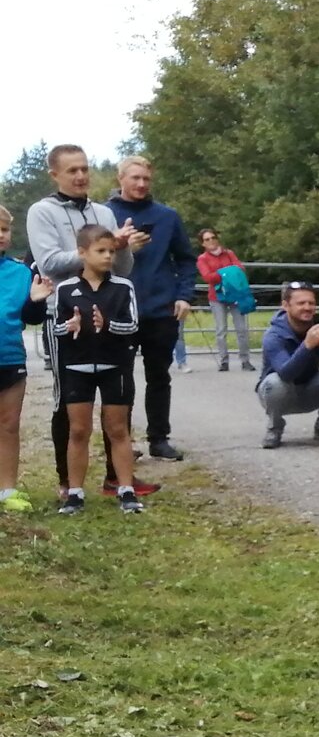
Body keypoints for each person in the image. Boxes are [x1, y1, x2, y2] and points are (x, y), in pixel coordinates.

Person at [25, 144, 156, 497]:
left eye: (85, 169)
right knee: (68, 400)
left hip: (111, 316)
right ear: (54, 174)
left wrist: (121, 247)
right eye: (72, 171)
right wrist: (94, 251)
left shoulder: (104, 212)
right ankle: (68, 483)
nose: (81, 176)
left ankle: (118, 477)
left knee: (119, 393)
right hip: (66, 317)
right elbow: (49, 262)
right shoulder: (42, 212)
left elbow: (122, 268)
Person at [104, 157, 198, 462]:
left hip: (161, 309)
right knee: (121, 379)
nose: (141, 184)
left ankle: (159, 438)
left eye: (146, 178)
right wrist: (122, 247)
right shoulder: (104, 215)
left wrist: (184, 295)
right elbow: (91, 257)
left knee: (159, 376)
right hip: (118, 309)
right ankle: (122, 442)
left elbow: (186, 259)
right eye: (135, 178)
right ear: (120, 178)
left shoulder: (167, 216)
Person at [51, 225, 145, 514]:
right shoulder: (65, 289)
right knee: (78, 430)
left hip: (114, 365)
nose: (107, 257)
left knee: (117, 428)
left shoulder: (122, 287)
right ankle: (75, 493)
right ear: (82, 253)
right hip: (76, 366)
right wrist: (70, 327)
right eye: (100, 251)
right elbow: (55, 327)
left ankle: (126, 490)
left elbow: (133, 325)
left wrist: (108, 325)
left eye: (112, 252)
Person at [0, 206, 54, 513]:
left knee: (8, 425)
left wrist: (37, 301)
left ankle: (7, 490)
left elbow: (31, 317)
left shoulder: (21, 272)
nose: (0, 234)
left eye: (5, 229)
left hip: (9, 358)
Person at [258, 281, 319, 449]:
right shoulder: (273, 335)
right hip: (279, 394)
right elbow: (286, 374)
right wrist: (307, 345)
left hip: (309, 390)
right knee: (275, 381)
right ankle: (274, 428)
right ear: (285, 305)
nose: (307, 307)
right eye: (301, 303)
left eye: (311, 303)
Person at [195, 228, 257, 372]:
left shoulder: (229, 253)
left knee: (241, 329)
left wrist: (222, 274)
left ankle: (245, 360)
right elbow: (207, 277)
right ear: (202, 243)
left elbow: (240, 269)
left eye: (212, 237)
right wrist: (229, 272)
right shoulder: (202, 259)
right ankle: (224, 361)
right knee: (221, 330)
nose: (211, 241)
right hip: (217, 297)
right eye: (207, 239)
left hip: (235, 295)